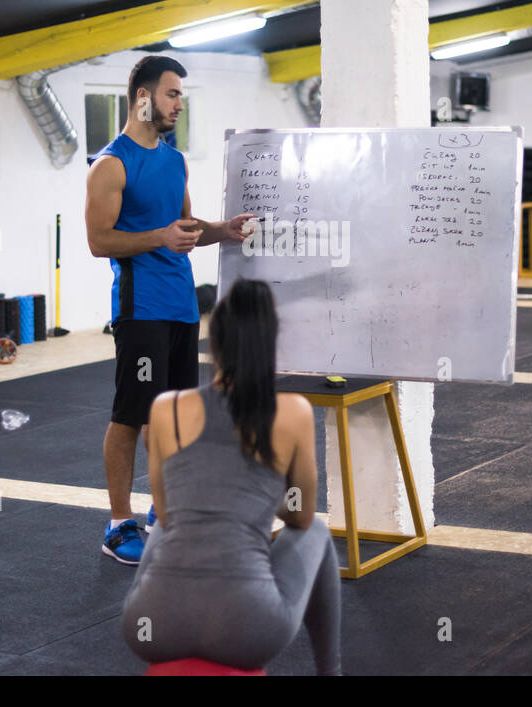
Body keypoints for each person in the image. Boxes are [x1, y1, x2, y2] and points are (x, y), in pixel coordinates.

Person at [121, 279, 341, 674]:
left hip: (152, 627)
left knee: (157, 529)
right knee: (318, 533)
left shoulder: (166, 408)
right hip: (245, 631)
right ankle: (331, 672)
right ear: (269, 344)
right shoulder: (293, 412)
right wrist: (256, 495)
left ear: (215, 344)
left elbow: (169, 517)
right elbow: (301, 517)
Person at [85, 55, 252, 564]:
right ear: (143, 97)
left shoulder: (173, 159)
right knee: (131, 415)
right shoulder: (110, 164)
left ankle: (163, 508)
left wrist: (221, 230)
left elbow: (182, 225)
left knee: (173, 415)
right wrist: (159, 237)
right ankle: (118, 525)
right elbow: (98, 241)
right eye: (172, 93)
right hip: (142, 309)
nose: (180, 103)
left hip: (182, 306)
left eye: (180, 94)